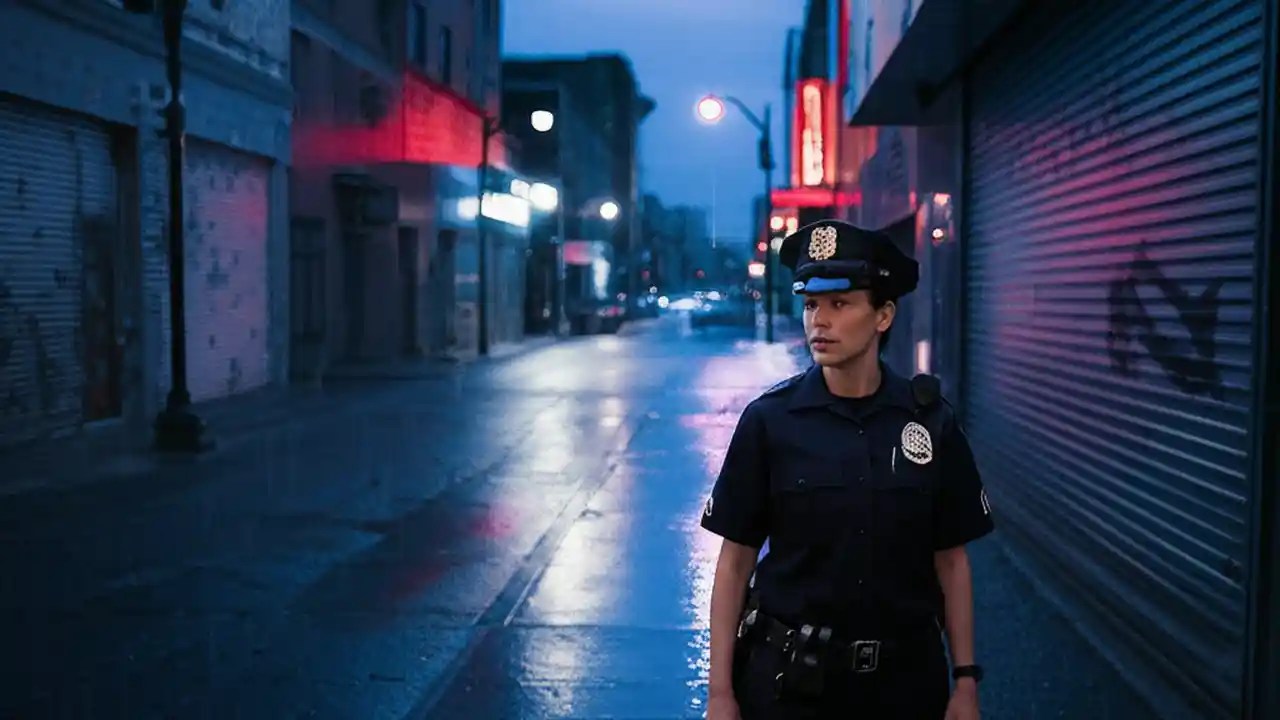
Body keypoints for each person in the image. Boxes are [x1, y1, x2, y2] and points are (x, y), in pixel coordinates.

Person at [701, 219, 995, 719]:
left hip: (904, 688)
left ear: (883, 316)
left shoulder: (929, 422)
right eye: (812, 305)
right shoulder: (770, 422)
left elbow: (951, 561)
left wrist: (965, 681)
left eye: (840, 305)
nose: (819, 322)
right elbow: (734, 564)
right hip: (789, 688)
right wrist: (720, 693)